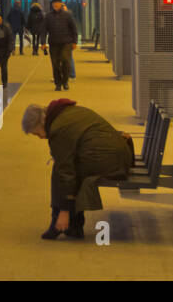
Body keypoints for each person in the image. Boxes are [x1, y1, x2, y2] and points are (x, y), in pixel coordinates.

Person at [22, 99, 133, 240]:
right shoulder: (63, 112)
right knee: (62, 168)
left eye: (37, 134)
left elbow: (66, 171)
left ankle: (61, 223)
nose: (40, 138)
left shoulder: (58, 128)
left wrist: (64, 210)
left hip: (111, 161)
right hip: (115, 155)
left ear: (41, 123)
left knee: (64, 171)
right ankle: (74, 226)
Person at [45, 0, 79, 91]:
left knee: (66, 61)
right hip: (53, 43)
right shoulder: (48, 16)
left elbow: (74, 28)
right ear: (52, 5)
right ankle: (58, 84)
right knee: (55, 64)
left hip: (66, 43)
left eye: (57, 3)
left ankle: (65, 81)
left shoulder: (67, 15)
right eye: (54, 3)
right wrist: (43, 42)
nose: (55, 5)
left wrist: (75, 41)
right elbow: (44, 30)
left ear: (61, 4)